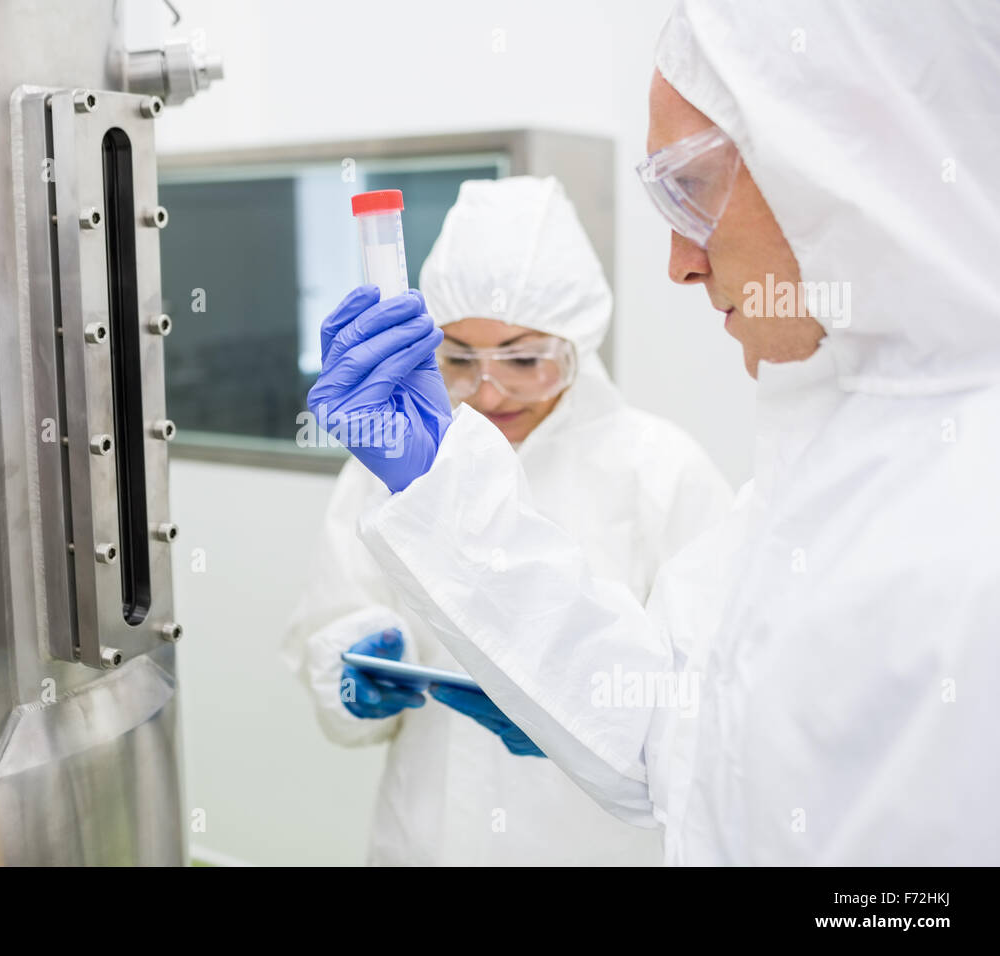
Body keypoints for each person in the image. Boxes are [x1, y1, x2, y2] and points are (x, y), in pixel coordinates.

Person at [304, 0, 1000, 864]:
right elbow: (672, 737)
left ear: (844, 158)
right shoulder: (833, 468)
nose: (680, 262)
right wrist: (435, 486)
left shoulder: (957, 501)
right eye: (463, 358)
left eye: (694, 186)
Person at [284, 176, 733, 866]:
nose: (489, 389)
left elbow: (710, 703)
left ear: (577, 345)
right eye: (459, 358)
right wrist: (355, 665)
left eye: (524, 360)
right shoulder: (395, 466)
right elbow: (329, 621)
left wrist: (592, 713)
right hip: (425, 834)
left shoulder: (662, 470)